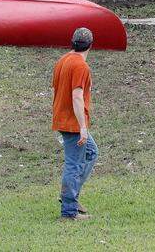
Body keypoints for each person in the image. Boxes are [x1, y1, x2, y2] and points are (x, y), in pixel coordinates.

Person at [52, 27, 97, 220]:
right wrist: (82, 128)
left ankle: (71, 195)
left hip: (62, 119)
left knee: (91, 153)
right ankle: (69, 210)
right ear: (90, 45)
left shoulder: (62, 60)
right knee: (74, 164)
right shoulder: (81, 66)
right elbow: (77, 95)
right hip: (73, 123)